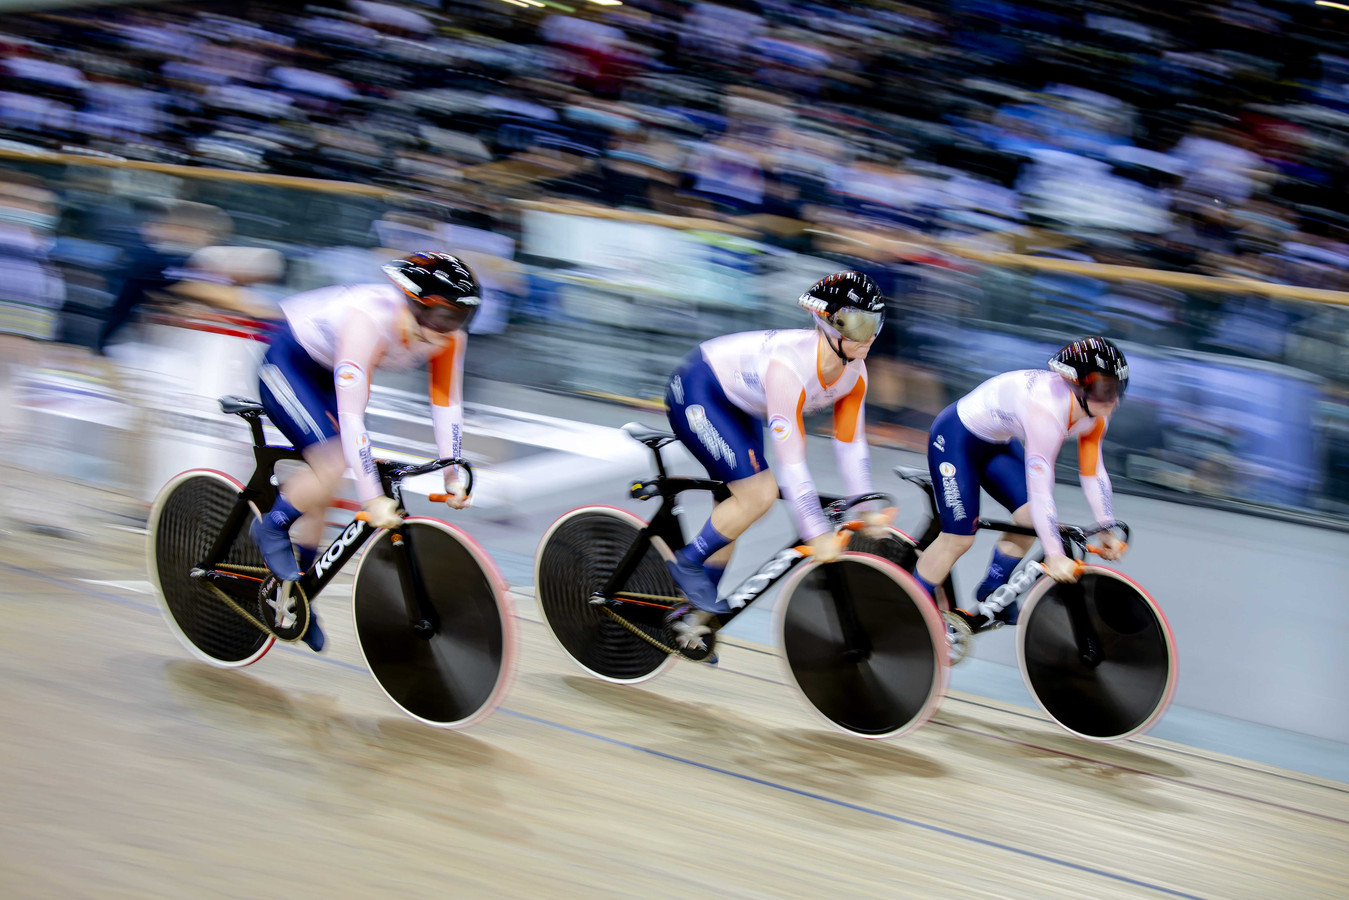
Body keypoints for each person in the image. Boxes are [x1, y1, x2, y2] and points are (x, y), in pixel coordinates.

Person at [250, 251, 480, 652]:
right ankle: (271, 525)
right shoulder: (369, 319)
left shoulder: (448, 336)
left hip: (329, 373)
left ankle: (296, 594)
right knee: (334, 459)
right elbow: (352, 416)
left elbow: (446, 402)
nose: (450, 329)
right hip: (290, 361)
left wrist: (451, 473)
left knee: (324, 487)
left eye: (461, 318)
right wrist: (371, 497)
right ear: (415, 302)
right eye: (445, 316)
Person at [662, 271, 894, 644]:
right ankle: (687, 562)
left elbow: (850, 445)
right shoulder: (790, 369)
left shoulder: (855, 373)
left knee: (737, 508)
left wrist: (867, 508)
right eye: (857, 324)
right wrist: (815, 532)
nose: (867, 337)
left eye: (874, 324)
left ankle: (691, 618)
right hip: (699, 388)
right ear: (828, 323)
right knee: (759, 494)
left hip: (738, 405)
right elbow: (793, 462)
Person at [913, 336, 1130, 630]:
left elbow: (1093, 472)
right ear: (1076, 384)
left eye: (1117, 388)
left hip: (997, 443)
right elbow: (1042, 490)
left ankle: (993, 588)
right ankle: (909, 610)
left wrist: (1105, 525)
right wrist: (1054, 555)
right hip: (955, 438)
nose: (1114, 400)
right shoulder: (1047, 413)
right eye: (1106, 389)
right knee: (959, 538)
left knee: (1029, 519)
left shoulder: (1095, 412)